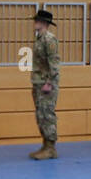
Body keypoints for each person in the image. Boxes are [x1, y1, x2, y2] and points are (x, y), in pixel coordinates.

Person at [29, 9, 60, 160]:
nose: (35, 23)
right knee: (40, 115)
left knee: (47, 115)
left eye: (37, 20)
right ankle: (45, 144)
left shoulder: (49, 39)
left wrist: (49, 83)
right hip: (38, 83)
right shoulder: (39, 39)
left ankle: (50, 148)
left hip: (46, 84)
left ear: (44, 23)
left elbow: (54, 65)